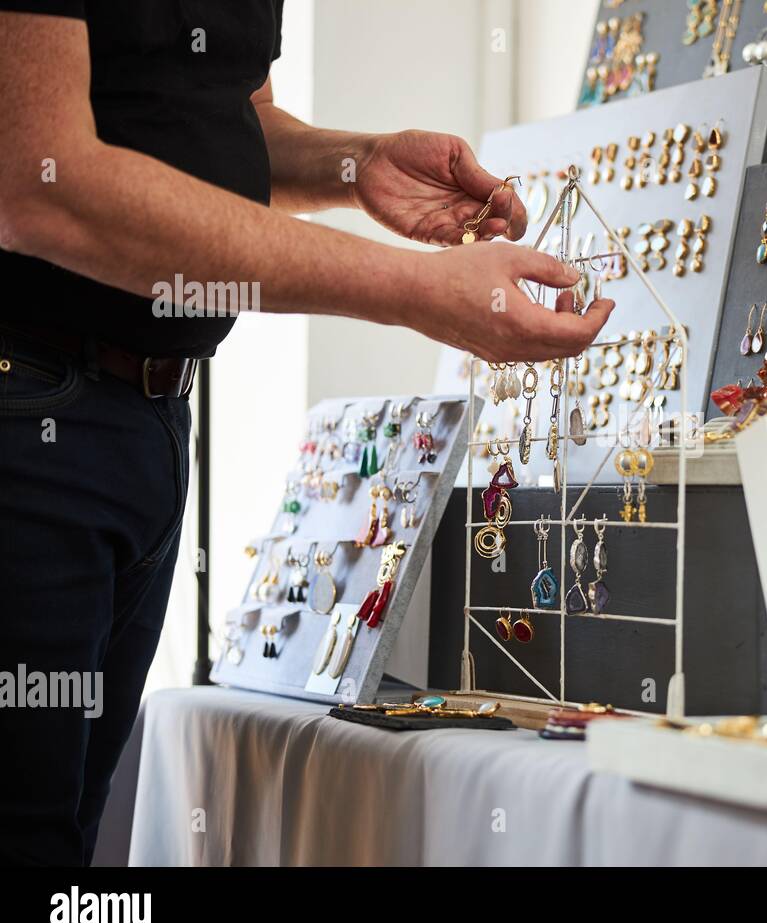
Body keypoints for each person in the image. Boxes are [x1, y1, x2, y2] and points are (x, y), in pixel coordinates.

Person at [0, 1, 613, 866]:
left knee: (66, 842)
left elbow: (212, 117)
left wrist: (353, 164)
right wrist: (415, 290)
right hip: (29, 410)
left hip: (147, 421)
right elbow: (40, 184)